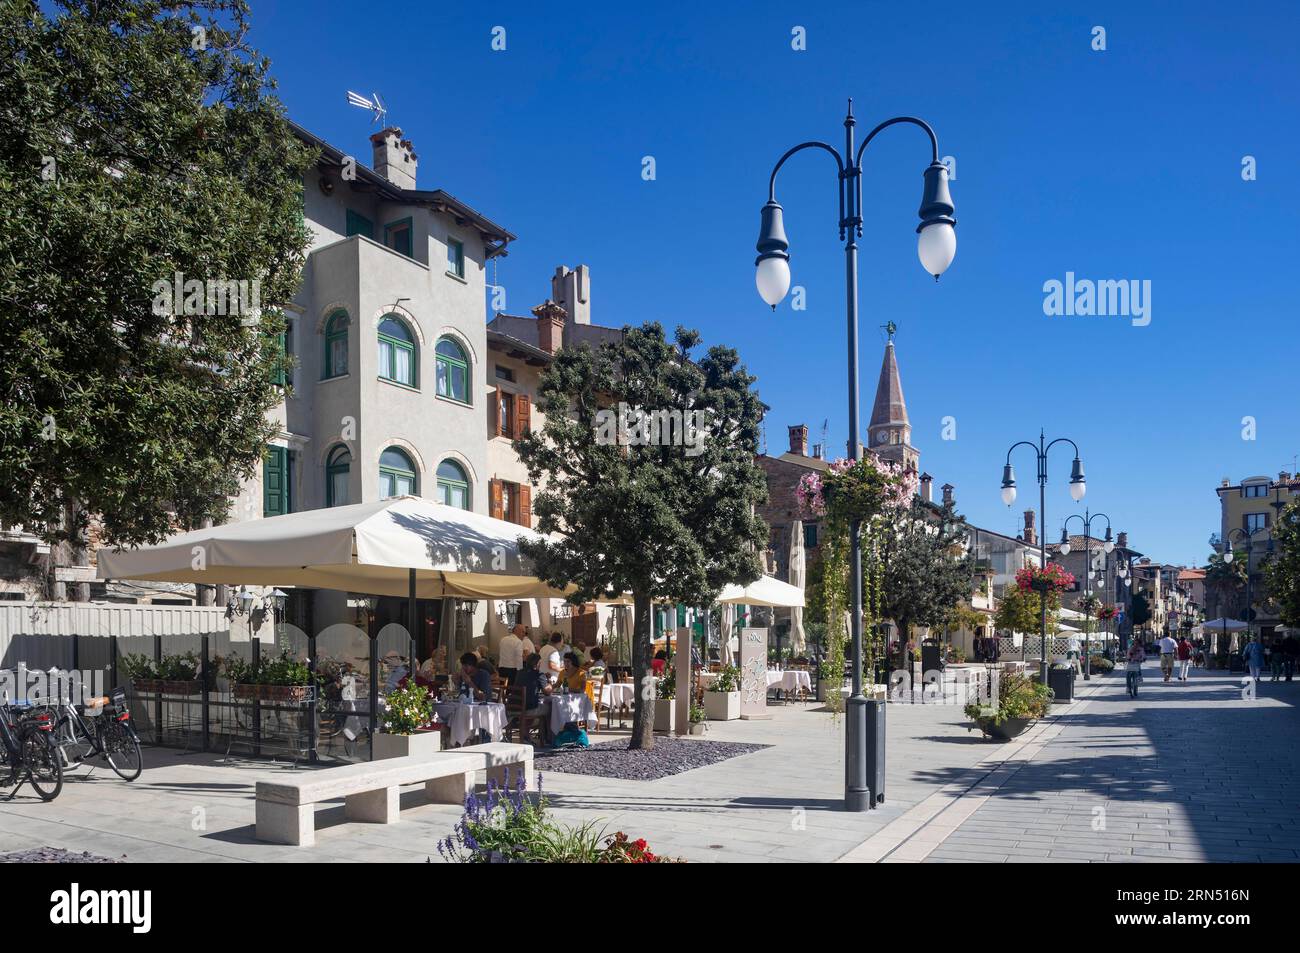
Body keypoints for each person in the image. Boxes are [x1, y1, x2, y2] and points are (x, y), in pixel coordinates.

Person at [517, 652, 552, 746]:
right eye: (540, 663)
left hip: (516, 706)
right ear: (536, 664)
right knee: (550, 708)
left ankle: (526, 735)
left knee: (534, 704)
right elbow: (547, 692)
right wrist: (549, 682)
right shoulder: (539, 674)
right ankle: (548, 736)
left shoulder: (519, 672)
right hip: (528, 708)